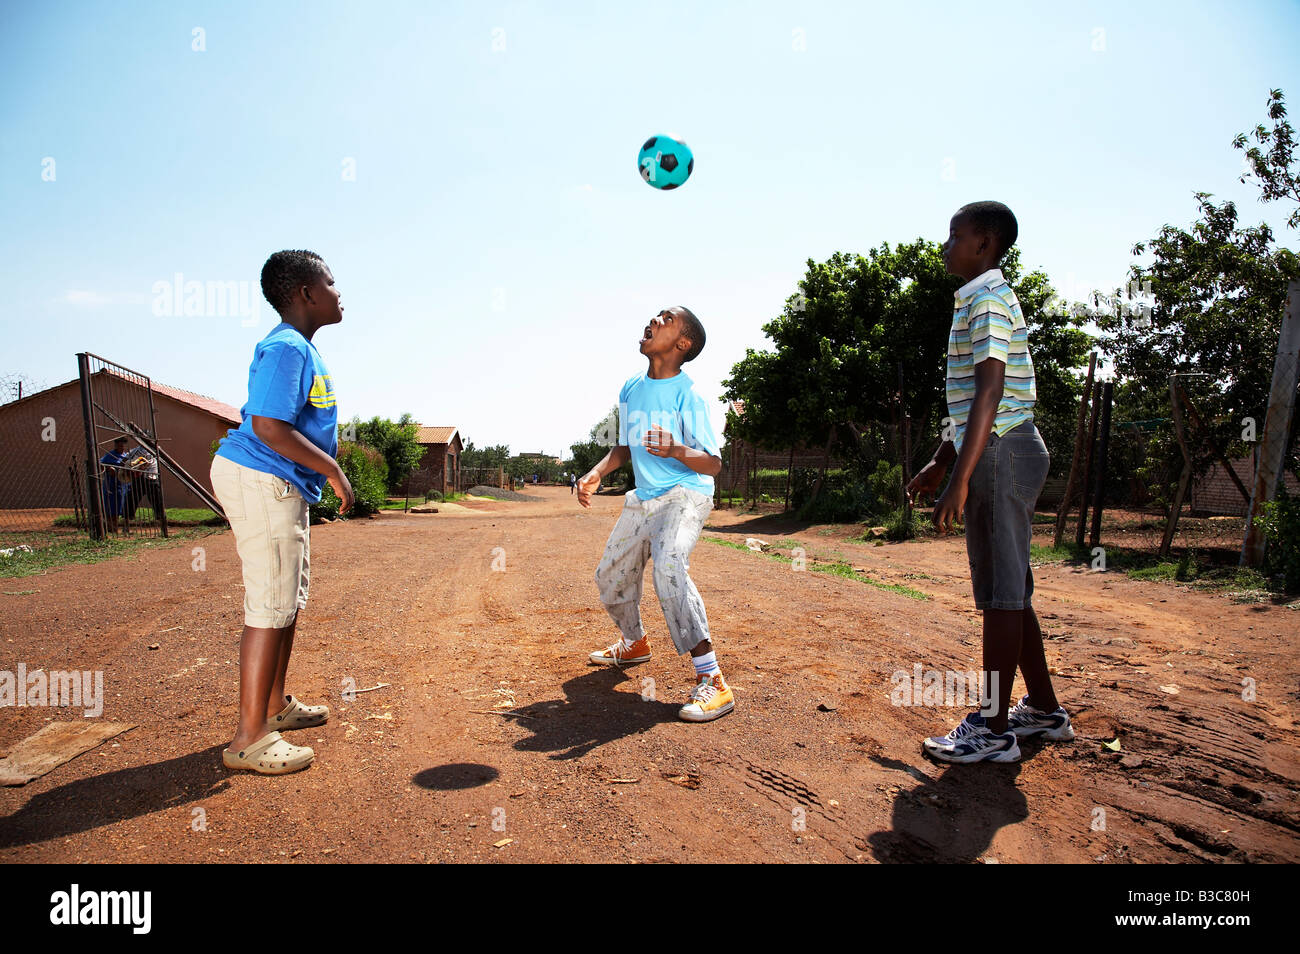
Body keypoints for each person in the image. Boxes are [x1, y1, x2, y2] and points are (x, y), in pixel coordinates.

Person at [906, 201, 1074, 764]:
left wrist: (961, 477)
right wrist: (942, 459)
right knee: (1011, 590)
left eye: (954, 235)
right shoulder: (973, 304)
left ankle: (994, 727)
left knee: (1001, 594)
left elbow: (990, 394)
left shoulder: (989, 303)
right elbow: (969, 403)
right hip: (997, 449)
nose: (945, 245)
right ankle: (1044, 711)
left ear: (984, 244)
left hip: (1002, 453)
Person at [209, 249, 354, 775]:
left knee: (286, 600)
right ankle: (249, 738)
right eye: (332, 283)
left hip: (282, 483)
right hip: (262, 476)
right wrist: (334, 470)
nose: (341, 292)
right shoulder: (286, 347)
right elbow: (270, 425)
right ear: (306, 294)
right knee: (270, 605)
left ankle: (273, 707)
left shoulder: (301, 349)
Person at [577, 306, 731, 722]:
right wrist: (594, 473)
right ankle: (635, 643)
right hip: (645, 496)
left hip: (687, 495)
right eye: (654, 316)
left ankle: (713, 681)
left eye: (666, 319)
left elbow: (714, 464)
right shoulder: (631, 387)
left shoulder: (689, 395)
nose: (653, 321)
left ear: (683, 344)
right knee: (610, 574)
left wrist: (677, 449)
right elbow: (625, 446)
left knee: (669, 568)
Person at [99, 436, 131, 534]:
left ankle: (117, 528)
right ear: (116, 445)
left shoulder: (126, 456)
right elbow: (100, 464)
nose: (121, 447)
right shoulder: (110, 455)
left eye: (123, 445)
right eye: (119, 445)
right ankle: (111, 529)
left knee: (120, 507)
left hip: (123, 485)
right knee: (111, 507)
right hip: (111, 485)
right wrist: (109, 469)